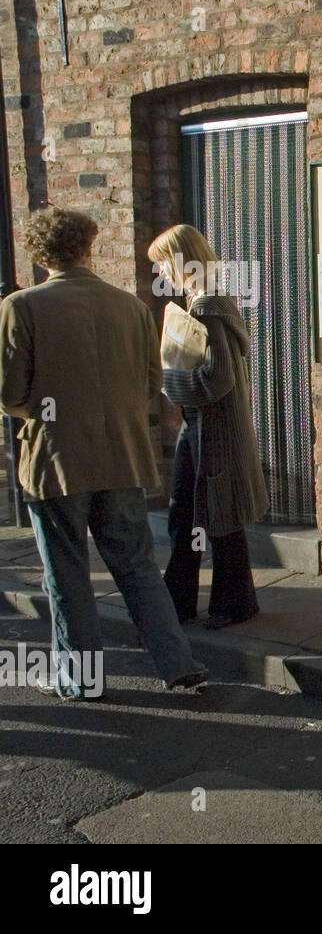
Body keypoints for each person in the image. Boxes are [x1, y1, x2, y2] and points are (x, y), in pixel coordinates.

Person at [0, 207, 208, 698]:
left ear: (39, 252)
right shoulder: (131, 307)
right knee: (137, 568)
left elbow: (9, 393)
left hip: (55, 463)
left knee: (67, 576)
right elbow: (151, 383)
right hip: (121, 456)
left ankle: (81, 680)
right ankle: (177, 664)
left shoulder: (21, 307)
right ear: (88, 246)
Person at [148, 225, 269, 630]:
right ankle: (180, 601)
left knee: (217, 517)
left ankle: (233, 604)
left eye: (163, 263)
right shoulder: (207, 301)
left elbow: (217, 380)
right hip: (201, 425)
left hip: (212, 427)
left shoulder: (207, 308)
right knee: (188, 513)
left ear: (183, 260)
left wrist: (167, 382)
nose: (160, 273)